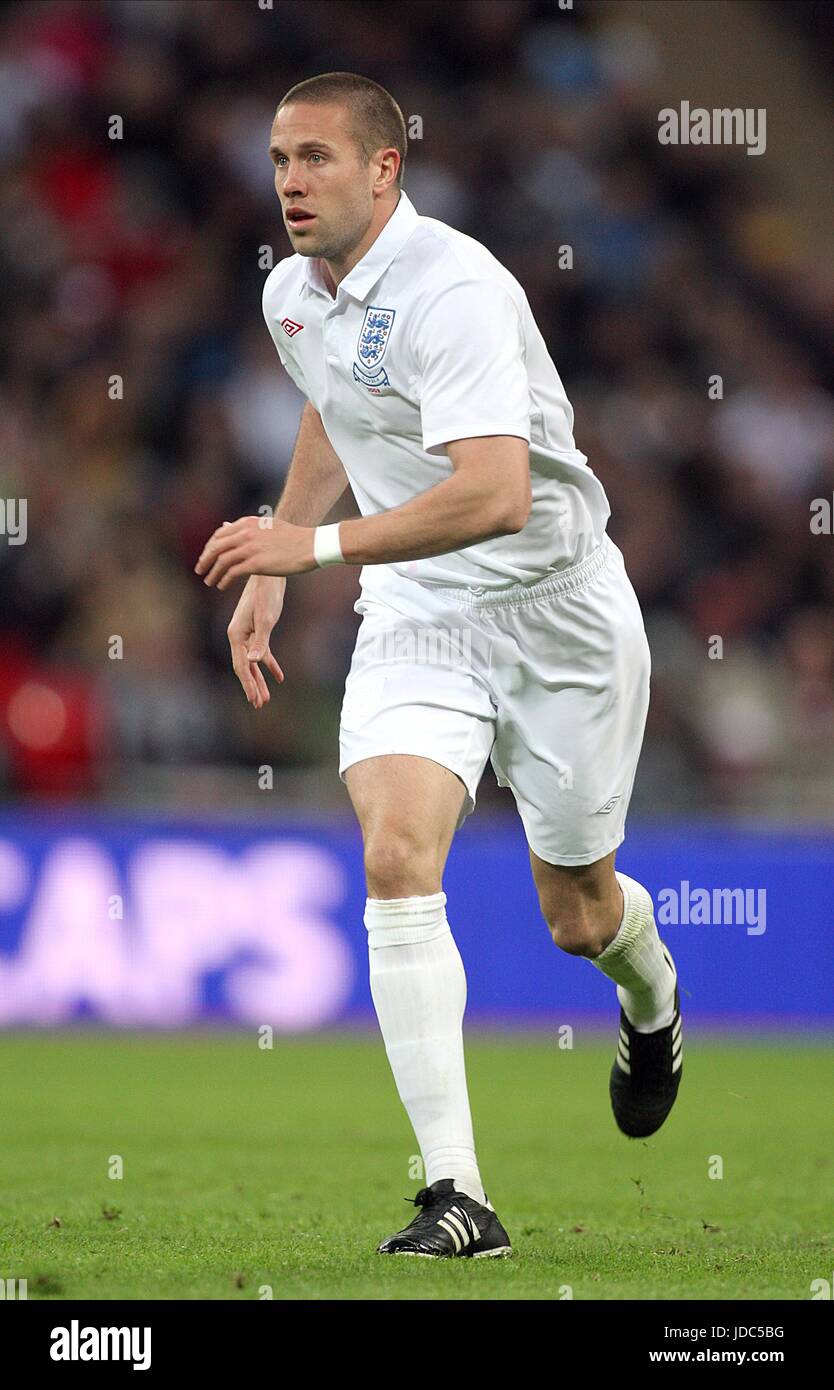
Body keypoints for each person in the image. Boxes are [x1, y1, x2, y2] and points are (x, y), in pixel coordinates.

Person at [195, 71, 682, 1260]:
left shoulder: (457, 288)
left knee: (577, 913)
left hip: (556, 613)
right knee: (395, 850)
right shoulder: (292, 296)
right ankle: (457, 1194)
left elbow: (496, 492)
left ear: (384, 170)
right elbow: (336, 408)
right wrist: (272, 566)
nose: (291, 183)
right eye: (278, 160)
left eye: (315, 158)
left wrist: (304, 548)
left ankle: (653, 998)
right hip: (419, 610)